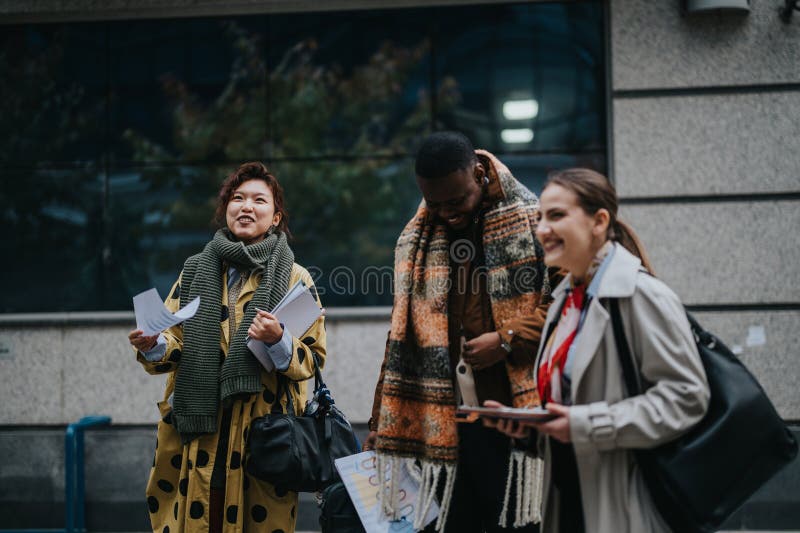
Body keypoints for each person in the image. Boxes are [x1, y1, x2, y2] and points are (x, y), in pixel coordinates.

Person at [483, 168, 710, 532]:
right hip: (572, 501)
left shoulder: (641, 295)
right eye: (540, 217)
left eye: (557, 216)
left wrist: (585, 424)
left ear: (599, 221)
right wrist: (530, 428)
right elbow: (575, 407)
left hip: (627, 506)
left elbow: (687, 397)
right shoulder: (564, 302)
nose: (541, 229)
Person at [364, 131, 557, 532]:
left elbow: (565, 302)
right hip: (441, 424)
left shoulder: (536, 221)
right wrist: (379, 423)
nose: (447, 212)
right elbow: (400, 337)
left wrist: (507, 340)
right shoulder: (414, 241)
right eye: (435, 204)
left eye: (456, 200)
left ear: (481, 173)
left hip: (511, 417)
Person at [128, 161, 326, 533]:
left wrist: (279, 338)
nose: (246, 206)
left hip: (262, 435)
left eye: (258, 200)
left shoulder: (296, 277)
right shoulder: (195, 270)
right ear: (226, 210)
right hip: (196, 431)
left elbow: (311, 360)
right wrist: (154, 344)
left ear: (276, 216)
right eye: (238, 198)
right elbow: (175, 343)